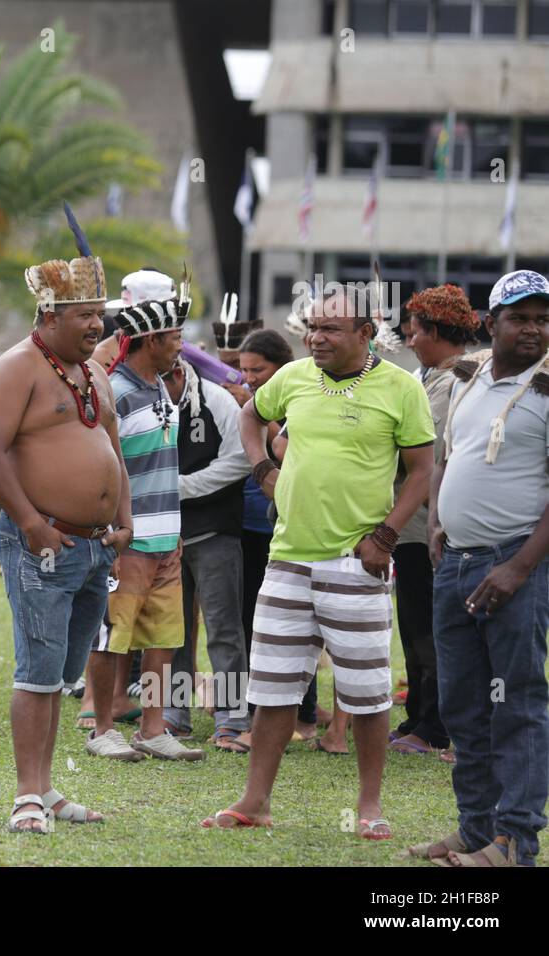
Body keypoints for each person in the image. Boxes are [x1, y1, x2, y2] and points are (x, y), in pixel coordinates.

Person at [204, 286, 434, 838]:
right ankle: (255, 802)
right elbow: (250, 418)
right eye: (313, 326)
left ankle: (369, 808)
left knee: (367, 691)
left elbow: (423, 472)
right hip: (287, 560)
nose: (316, 336)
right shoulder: (293, 377)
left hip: (356, 563)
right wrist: (262, 472)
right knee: (274, 689)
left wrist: (385, 536)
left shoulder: (400, 389)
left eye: (331, 328)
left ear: (365, 334)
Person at [0, 232, 133, 832]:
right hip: (44, 543)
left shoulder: (91, 372)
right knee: (35, 673)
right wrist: (33, 525)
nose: (96, 325)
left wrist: (124, 520)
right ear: (49, 314)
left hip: (94, 547)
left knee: (63, 678)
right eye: (84, 315)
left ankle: (48, 788)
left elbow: (112, 447)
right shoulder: (16, 369)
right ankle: (26, 797)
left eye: (99, 314)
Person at [414, 270, 549, 868]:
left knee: (516, 704)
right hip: (457, 565)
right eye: (521, 318)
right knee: (463, 705)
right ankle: (475, 831)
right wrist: (439, 519)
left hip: (513, 567)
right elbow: (449, 453)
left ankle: (515, 840)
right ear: (491, 324)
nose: (535, 329)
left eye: (544, 319)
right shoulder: (465, 380)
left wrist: (519, 569)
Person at [85, 269, 204, 761]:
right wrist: (114, 533)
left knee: (162, 639)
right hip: (126, 540)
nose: (181, 345)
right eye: (175, 336)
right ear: (151, 339)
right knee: (114, 637)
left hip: (165, 536)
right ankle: (102, 728)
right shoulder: (113, 390)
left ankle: (153, 729)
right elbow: (104, 470)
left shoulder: (159, 385)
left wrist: (172, 531)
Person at [390, 285, 481, 760]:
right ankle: (419, 715)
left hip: (429, 524)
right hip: (411, 527)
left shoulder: (454, 381)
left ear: (439, 332)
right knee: (414, 625)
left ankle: (434, 727)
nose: (410, 339)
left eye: (417, 331)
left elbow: (428, 453)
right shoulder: (429, 376)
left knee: (430, 627)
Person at [233, 330, 324, 746]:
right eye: (244, 370)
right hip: (253, 526)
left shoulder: (300, 393)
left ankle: (305, 715)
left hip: (296, 528)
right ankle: (264, 714)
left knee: (305, 629)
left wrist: (260, 417)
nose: (249, 378)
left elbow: (289, 447)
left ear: (282, 368)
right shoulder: (256, 401)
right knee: (261, 626)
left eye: (258, 370)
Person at [161, 353, 251, 752]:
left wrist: (179, 487)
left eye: (162, 378)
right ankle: (171, 713)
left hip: (215, 532)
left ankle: (232, 716)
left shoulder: (218, 400)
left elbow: (240, 461)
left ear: (178, 373)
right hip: (161, 536)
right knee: (167, 631)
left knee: (224, 629)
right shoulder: (142, 399)